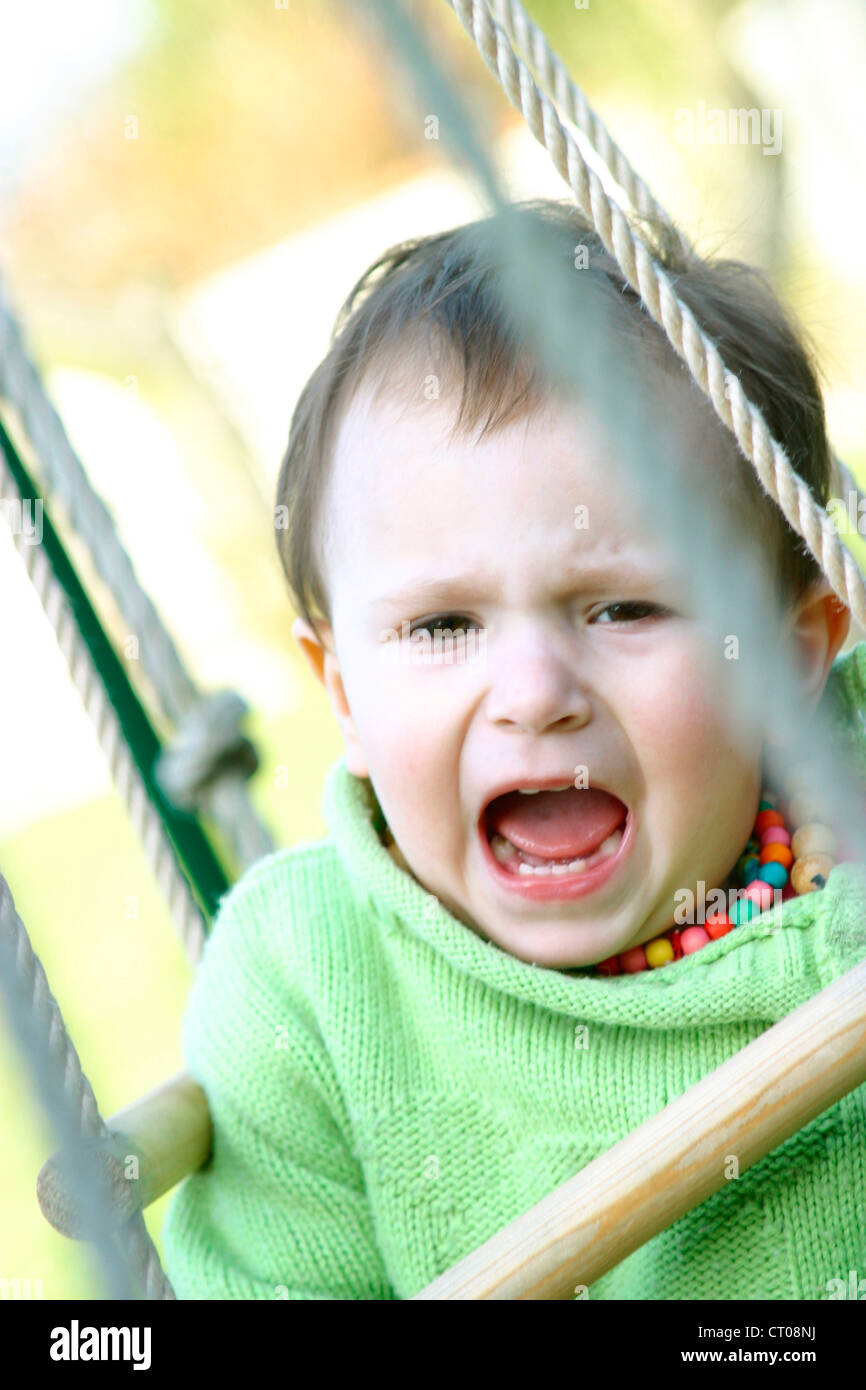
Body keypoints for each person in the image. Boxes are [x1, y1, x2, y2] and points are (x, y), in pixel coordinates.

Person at [162, 199, 866, 1299]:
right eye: (442, 626)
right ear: (341, 694)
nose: (535, 695)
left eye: (623, 607)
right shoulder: (309, 990)